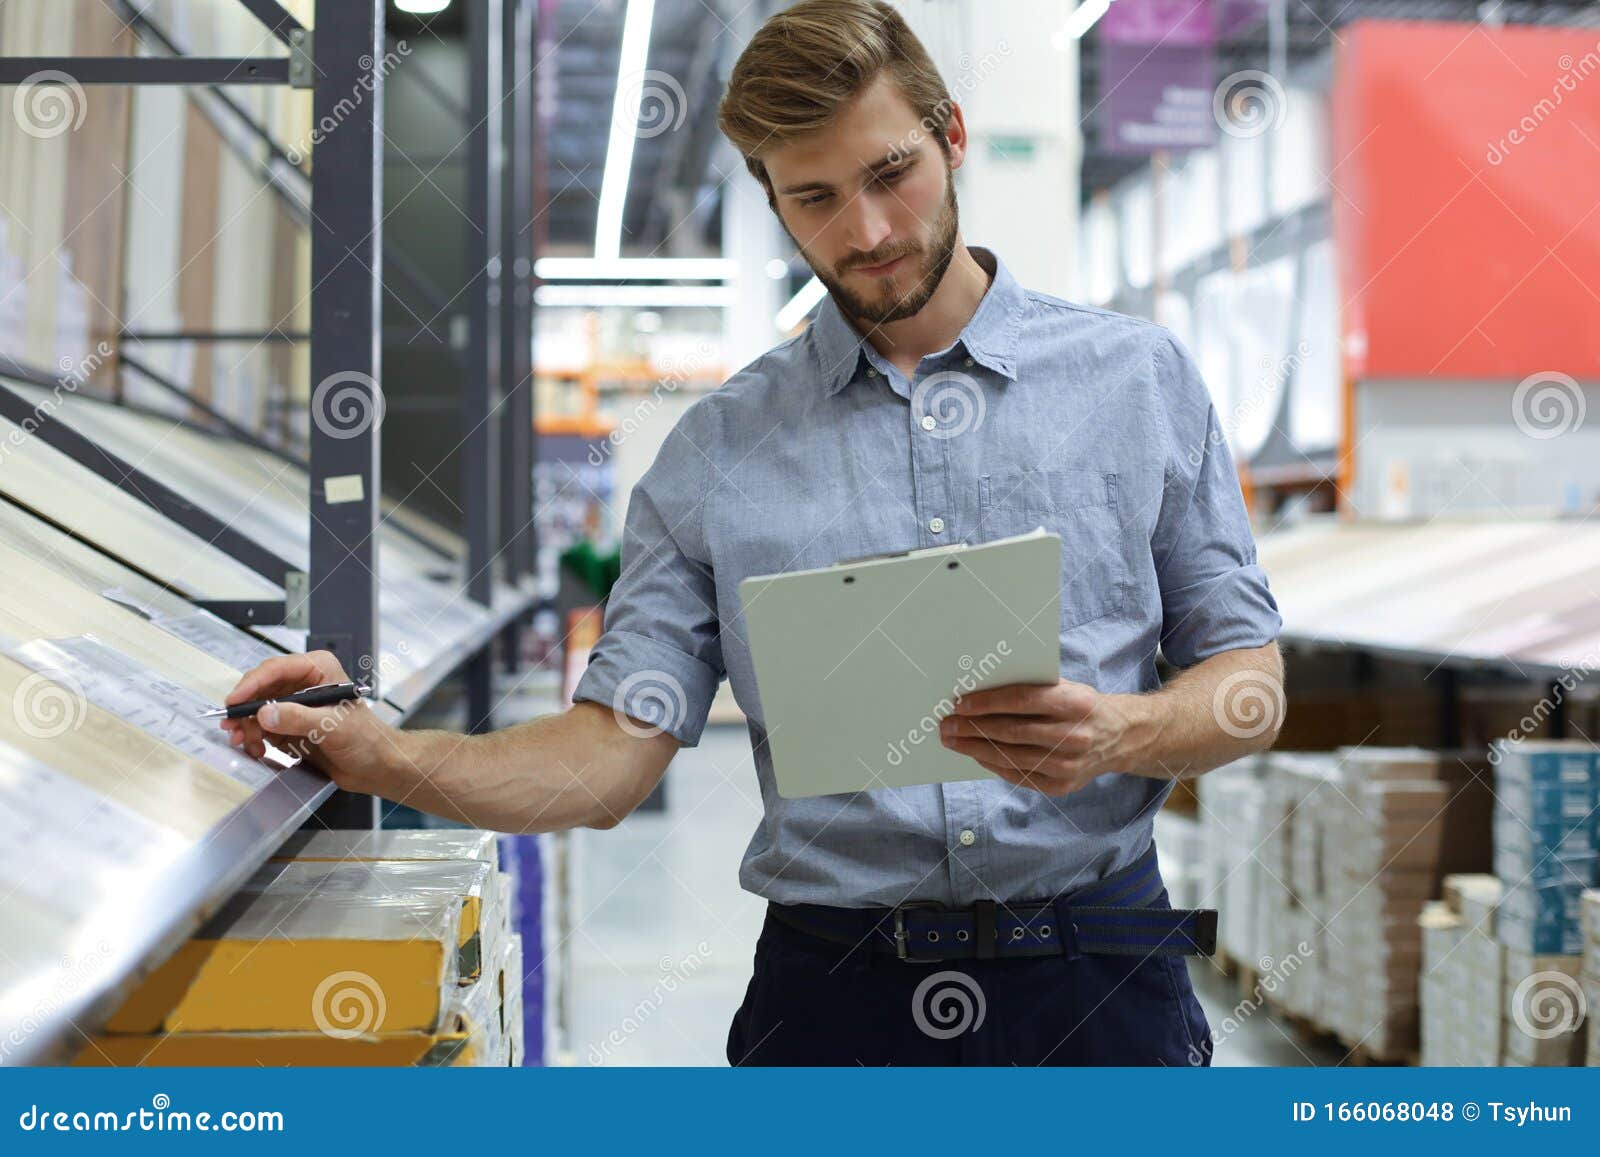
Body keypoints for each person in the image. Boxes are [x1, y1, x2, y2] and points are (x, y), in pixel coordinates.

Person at [222, 0, 1285, 1066]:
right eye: (815, 197)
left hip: (1100, 980)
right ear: (771, 201)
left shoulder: (1137, 382)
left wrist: (1117, 733)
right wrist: (385, 754)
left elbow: (1249, 682)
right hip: (837, 1004)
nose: (866, 231)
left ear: (952, 135)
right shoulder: (713, 455)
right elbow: (606, 760)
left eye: (890, 173)